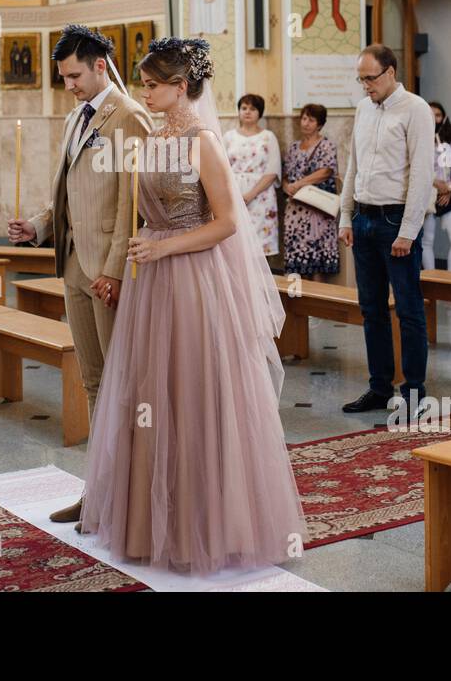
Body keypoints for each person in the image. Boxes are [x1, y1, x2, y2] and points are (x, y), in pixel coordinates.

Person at [79, 37, 305, 573]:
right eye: (143, 84)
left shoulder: (202, 141)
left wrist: (162, 245)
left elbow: (227, 222)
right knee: (151, 395)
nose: (144, 94)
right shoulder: (155, 135)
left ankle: (205, 526)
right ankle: (148, 525)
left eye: (153, 85)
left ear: (182, 87)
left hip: (193, 279)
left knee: (192, 394)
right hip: (152, 281)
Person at [9, 25, 150, 526]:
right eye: (63, 76)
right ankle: (99, 490)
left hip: (108, 271)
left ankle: (132, 495)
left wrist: (114, 269)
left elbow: (131, 202)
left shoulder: (128, 116)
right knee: (92, 380)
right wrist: (38, 225)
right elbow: (69, 193)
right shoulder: (77, 116)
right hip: (73, 264)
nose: (68, 84)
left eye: (74, 75)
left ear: (99, 65)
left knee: (122, 384)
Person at [338, 44, 434, 418]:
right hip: (363, 218)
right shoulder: (363, 109)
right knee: (371, 309)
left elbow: (422, 174)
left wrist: (408, 230)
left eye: (371, 78)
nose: (365, 86)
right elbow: (353, 167)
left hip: (397, 221)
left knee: (408, 310)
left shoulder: (416, 110)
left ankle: (413, 391)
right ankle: (380, 387)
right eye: (361, 79)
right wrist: (346, 216)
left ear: (391, 72)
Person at [283, 103, 339, 279]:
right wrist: (287, 186)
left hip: (317, 210)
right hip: (295, 210)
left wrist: (298, 184)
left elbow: (326, 171)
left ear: (320, 124)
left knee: (317, 260)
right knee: (296, 261)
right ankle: (297, 300)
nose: (306, 123)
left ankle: (318, 302)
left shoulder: (326, 146)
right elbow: (284, 174)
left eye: (311, 120)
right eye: (304, 118)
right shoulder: (293, 147)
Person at [223, 93, 280, 257]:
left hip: (260, 195)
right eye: (244, 108)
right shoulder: (229, 137)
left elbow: (272, 171)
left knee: (259, 246)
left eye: (253, 109)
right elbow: (222, 168)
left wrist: (249, 195)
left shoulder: (268, 137)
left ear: (259, 113)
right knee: (235, 245)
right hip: (234, 193)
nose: (247, 112)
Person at [422, 102, 451, 272]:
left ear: (444, 117)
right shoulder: (419, 139)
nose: (434, 118)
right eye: (430, 114)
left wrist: (449, 187)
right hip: (428, 193)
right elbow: (416, 168)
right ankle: (432, 279)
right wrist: (436, 185)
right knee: (427, 240)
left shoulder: (450, 141)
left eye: (438, 115)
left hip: (449, 192)